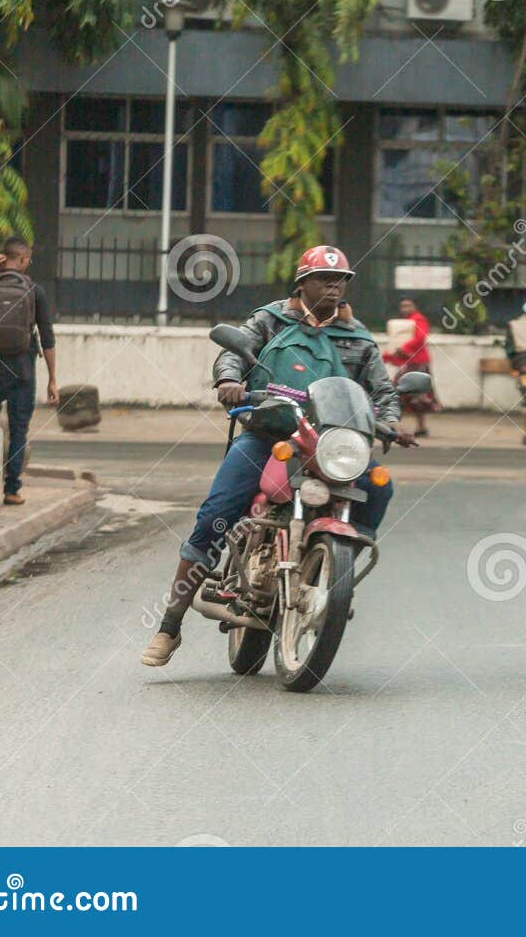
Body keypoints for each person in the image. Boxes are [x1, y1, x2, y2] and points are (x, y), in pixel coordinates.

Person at [141, 246, 407, 667]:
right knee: (217, 514)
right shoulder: (272, 321)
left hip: (330, 443)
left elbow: (382, 391)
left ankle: (330, 578)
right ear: (302, 284)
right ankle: (169, 625)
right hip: (268, 435)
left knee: (380, 486)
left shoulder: (356, 338)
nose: (334, 287)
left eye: (340, 281)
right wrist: (229, 379)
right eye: (325, 279)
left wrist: (390, 420)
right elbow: (234, 350)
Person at [0, 236, 57, 507]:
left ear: (4, 258)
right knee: (18, 429)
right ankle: (12, 490)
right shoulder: (34, 290)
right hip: (22, 368)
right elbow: (48, 337)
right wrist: (53, 379)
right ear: (25, 260)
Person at [383, 296, 440, 437]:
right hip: (409, 363)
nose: (405, 309)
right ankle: (406, 426)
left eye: (408, 305)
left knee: (414, 395)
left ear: (414, 306)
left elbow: (420, 339)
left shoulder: (418, 320)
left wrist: (401, 348)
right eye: (403, 306)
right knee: (405, 395)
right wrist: (389, 355)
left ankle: (417, 427)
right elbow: (397, 343)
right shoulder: (405, 323)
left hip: (418, 363)